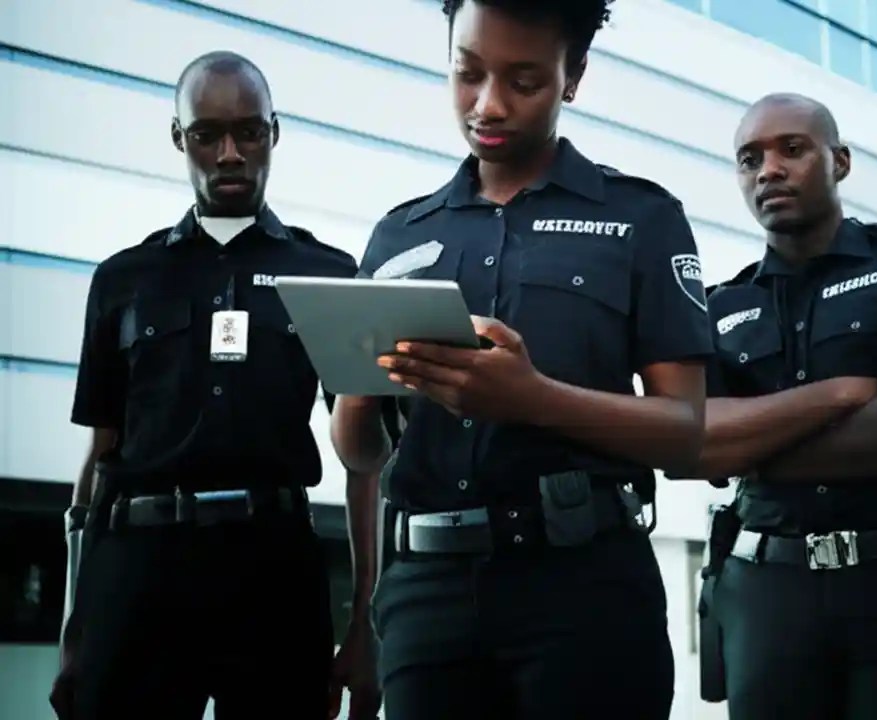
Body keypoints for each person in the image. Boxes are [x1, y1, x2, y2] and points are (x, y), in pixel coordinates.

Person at [330, 1, 712, 718]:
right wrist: (358, 376)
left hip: (585, 592)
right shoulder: (396, 236)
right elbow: (360, 454)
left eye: (525, 80)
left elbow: (684, 432)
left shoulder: (642, 219)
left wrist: (531, 397)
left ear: (575, 76)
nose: (488, 104)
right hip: (425, 597)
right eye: (467, 73)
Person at [51, 52, 382, 720]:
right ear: (180, 138)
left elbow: (365, 466)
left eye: (249, 132)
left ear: (273, 133)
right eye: (207, 134)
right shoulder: (122, 280)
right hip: (136, 571)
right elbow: (99, 458)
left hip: (274, 575)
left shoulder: (331, 275)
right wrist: (75, 620)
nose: (230, 153)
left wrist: (364, 622)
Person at [685, 92, 877, 719]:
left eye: (792, 149)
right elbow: (700, 445)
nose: (768, 169)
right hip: (766, 595)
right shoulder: (720, 306)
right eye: (749, 159)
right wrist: (841, 396)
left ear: (839, 162)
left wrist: (756, 446)